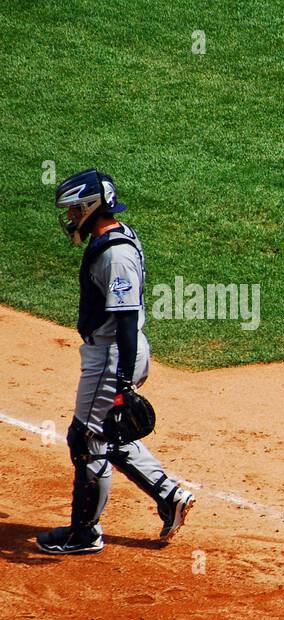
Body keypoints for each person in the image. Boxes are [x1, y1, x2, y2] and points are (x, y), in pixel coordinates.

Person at [39, 169, 194, 556]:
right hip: (115, 350)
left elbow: (125, 320)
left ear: (92, 207)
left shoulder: (116, 254)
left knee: (86, 439)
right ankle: (168, 494)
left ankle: (84, 533)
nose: (71, 217)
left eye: (75, 210)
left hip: (113, 355)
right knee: (109, 432)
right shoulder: (113, 237)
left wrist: (123, 382)